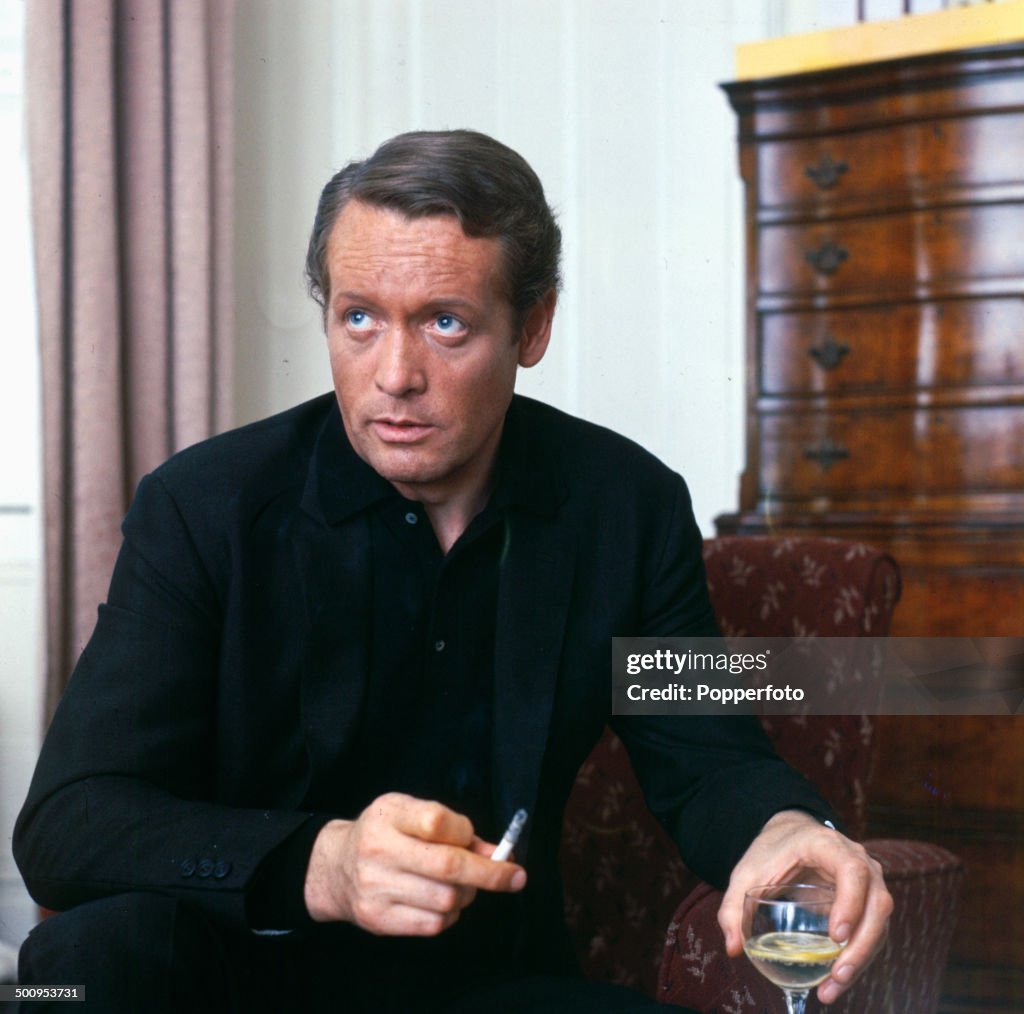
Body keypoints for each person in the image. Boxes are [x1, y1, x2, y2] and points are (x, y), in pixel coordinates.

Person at [14, 129, 891, 1012]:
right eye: (359, 317)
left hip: (488, 985)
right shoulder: (202, 505)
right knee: (78, 962)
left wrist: (787, 827)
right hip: (230, 972)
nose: (394, 376)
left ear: (534, 325)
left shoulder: (628, 506)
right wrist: (324, 865)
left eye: (446, 323)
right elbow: (67, 821)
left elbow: (709, 758)